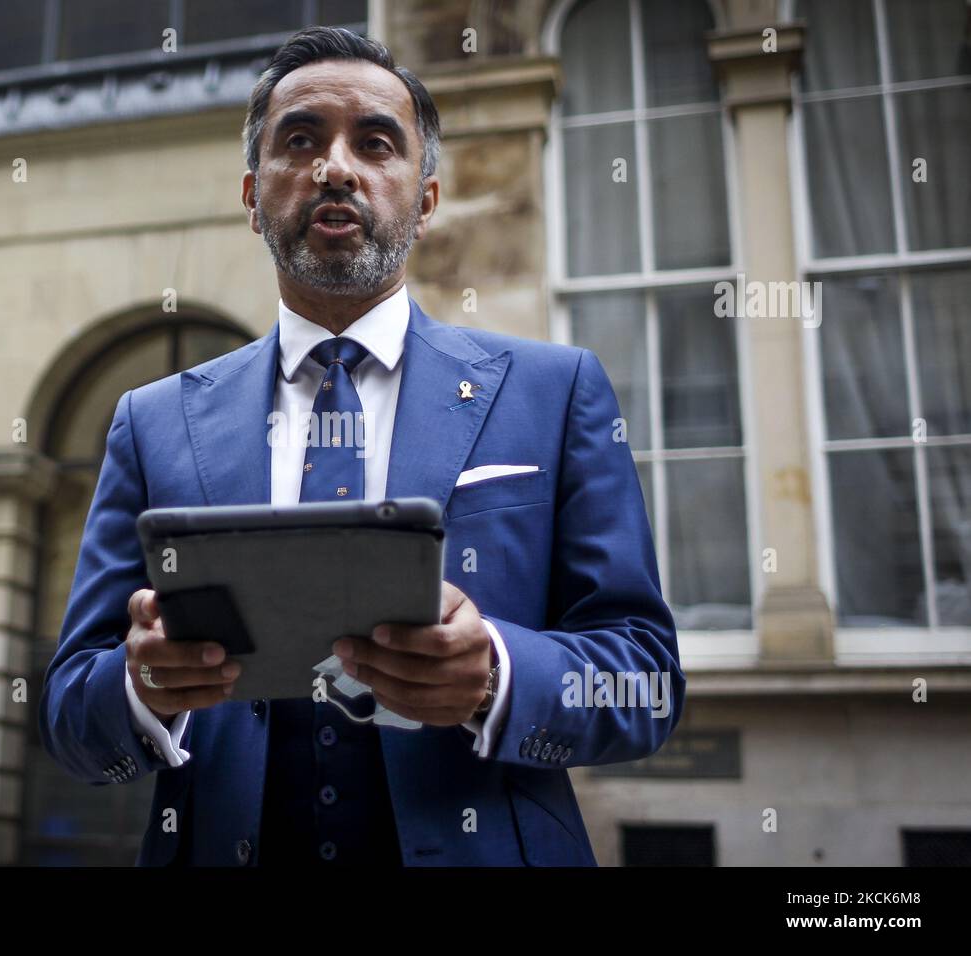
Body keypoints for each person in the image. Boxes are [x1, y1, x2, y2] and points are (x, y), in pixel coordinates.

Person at [39, 26, 684, 867]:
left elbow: (645, 680)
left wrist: (496, 672)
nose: (335, 167)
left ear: (424, 197)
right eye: (299, 139)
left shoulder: (554, 393)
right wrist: (140, 686)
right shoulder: (151, 420)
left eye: (375, 144)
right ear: (252, 192)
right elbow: (66, 715)